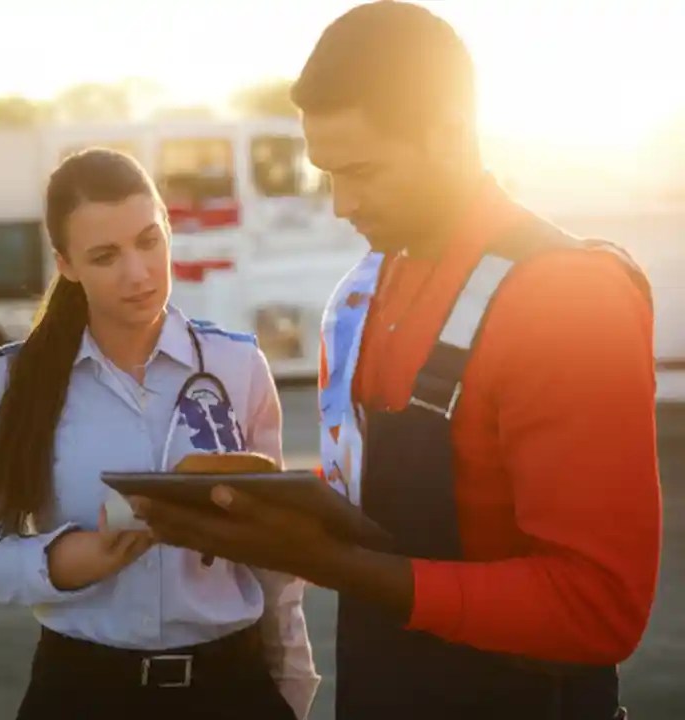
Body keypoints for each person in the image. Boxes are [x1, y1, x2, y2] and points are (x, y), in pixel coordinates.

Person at [130, 3, 662, 719]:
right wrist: (278, 500)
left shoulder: (567, 297)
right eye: (326, 173)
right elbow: (408, 499)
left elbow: (598, 613)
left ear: (450, 132)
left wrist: (332, 563)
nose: (342, 203)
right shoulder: (374, 284)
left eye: (364, 171)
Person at [0, 148, 321, 720]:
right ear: (66, 264)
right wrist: (61, 562)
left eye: (149, 241)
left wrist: (291, 682)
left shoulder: (237, 366)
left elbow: (274, 556)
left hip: (230, 687)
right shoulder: (14, 380)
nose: (138, 273)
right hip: (82, 689)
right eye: (105, 256)